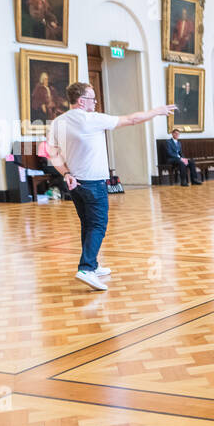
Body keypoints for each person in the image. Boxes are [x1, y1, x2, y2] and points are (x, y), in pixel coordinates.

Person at [45, 82, 175, 292]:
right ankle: (86, 268)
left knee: (88, 225)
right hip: (93, 182)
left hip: (75, 182)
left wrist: (66, 174)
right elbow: (132, 120)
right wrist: (156, 111)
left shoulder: (59, 121)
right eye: (92, 98)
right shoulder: (91, 119)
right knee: (98, 225)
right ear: (81, 101)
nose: (95, 102)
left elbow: (52, 152)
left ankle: (93, 265)